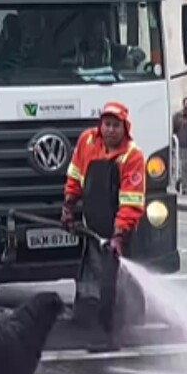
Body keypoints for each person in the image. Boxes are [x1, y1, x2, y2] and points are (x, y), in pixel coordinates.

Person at [59, 102, 147, 351]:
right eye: (106, 124)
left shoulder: (132, 156)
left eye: (115, 125)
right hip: (93, 225)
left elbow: (131, 201)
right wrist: (68, 206)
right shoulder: (88, 141)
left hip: (120, 231)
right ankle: (89, 323)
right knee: (91, 278)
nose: (110, 130)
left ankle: (111, 336)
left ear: (124, 128)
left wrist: (119, 236)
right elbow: (75, 176)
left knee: (112, 284)